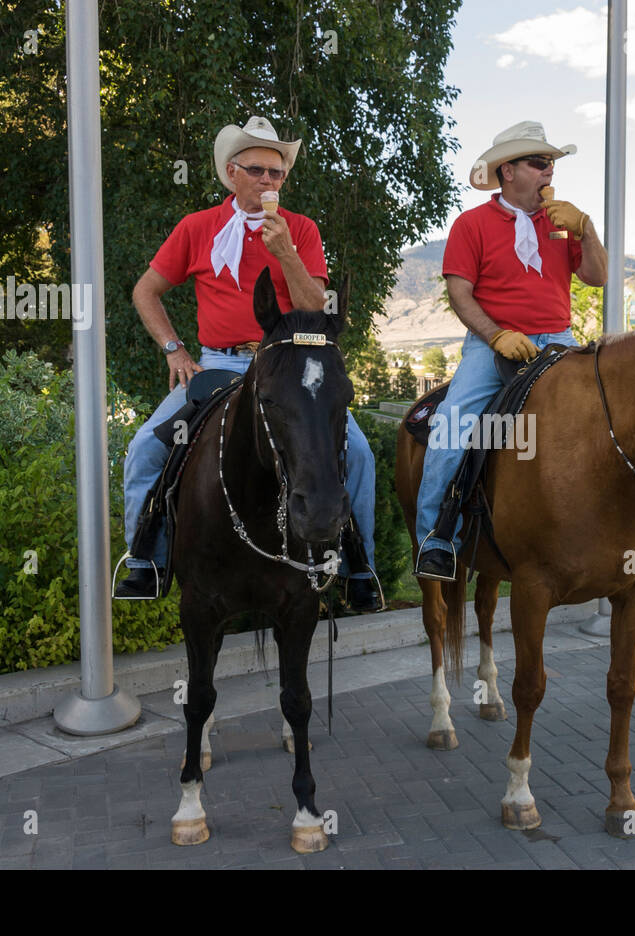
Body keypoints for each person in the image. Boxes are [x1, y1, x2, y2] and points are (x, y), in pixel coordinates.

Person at [117, 116, 380, 610]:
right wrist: (174, 349)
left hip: (289, 363)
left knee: (359, 452)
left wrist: (284, 252)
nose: (268, 181)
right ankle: (145, 561)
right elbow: (145, 291)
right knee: (145, 450)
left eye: (276, 174)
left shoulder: (300, 228)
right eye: (257, 170)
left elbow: (315, 305)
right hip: (218, 367)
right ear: (232, 173)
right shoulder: (197, 228)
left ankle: (355, 563)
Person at [413, 121, 607, 580]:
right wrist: (496, 334)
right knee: (454, 424)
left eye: (551, 164)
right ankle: (437, 538)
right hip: (490, 343)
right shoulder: (471, 224)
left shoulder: (563, 220)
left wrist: (587, 229)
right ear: (508, 171)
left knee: (612, 415)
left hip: (558, 339)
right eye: (540, 163)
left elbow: (597, 277)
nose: (549, 171)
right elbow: (461, 294)